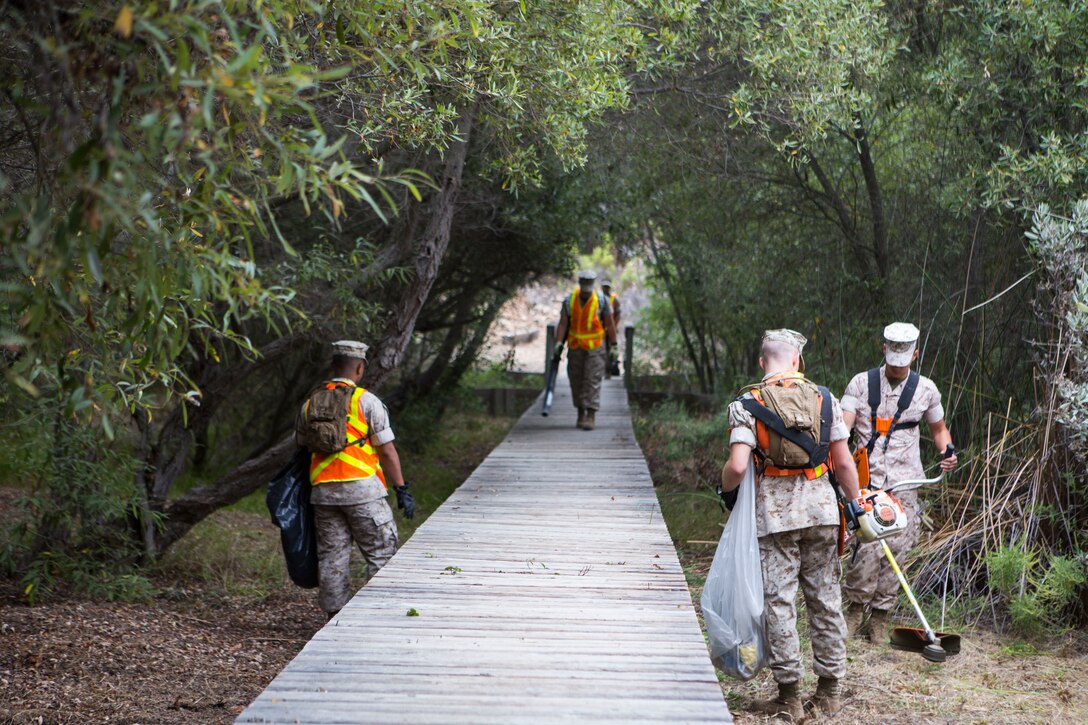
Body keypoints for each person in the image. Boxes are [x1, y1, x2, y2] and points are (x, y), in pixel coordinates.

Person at [719, 329, 863, 719]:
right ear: (797, 360)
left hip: (775, 518)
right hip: (822, 513)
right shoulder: (825, 399)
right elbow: (844, 463)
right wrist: (857, 505)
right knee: (826, 600)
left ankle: (790, 697)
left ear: (763, 362)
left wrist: (726, 491)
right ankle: (830, 692)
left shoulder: (747, 403)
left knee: (780, 604)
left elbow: (736, 465)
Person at [839, 322, 958, 644]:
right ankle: (855, 609)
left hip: (905, 481)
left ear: (915, 355)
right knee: (866, 545)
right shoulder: (860, 385)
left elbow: (939, 430)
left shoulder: (927, 390)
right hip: (867, 480)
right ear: (883, 350)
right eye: (892, 361)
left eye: (903, 363)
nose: (896, 367)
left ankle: (880, 616)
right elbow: (842, 428)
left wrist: (946, 451)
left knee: (898, 548)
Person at [303, 340, 416, 619]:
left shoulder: (310, 403)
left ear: (333, 365)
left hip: (323, 493)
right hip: (362, 490)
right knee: (381, 550)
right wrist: (401, 488)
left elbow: (301, 445)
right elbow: (387, 450)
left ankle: (334, 619)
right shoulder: (366, 401)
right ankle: (380, 614)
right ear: (360, 368)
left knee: (332, 557)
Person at [554, 270, 617, 431]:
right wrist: (558, 343)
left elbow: (609, 324)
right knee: (576, 380)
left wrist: (614, 345)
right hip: (575, 346)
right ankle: (580, 412)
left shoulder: (602, 301)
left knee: (593, 379)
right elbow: (563, 324)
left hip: (596, 347)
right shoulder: (569, 301)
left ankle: (591, 414)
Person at [601, 278, 621, 378]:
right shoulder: (598, 299)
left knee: (611, 352)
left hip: (610, 330)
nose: (605, 289)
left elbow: (618, 314)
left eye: (607, 287)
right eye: (604, 287)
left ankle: (609, 372)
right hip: (599, 331)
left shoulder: (614, 299)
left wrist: (614, 327)